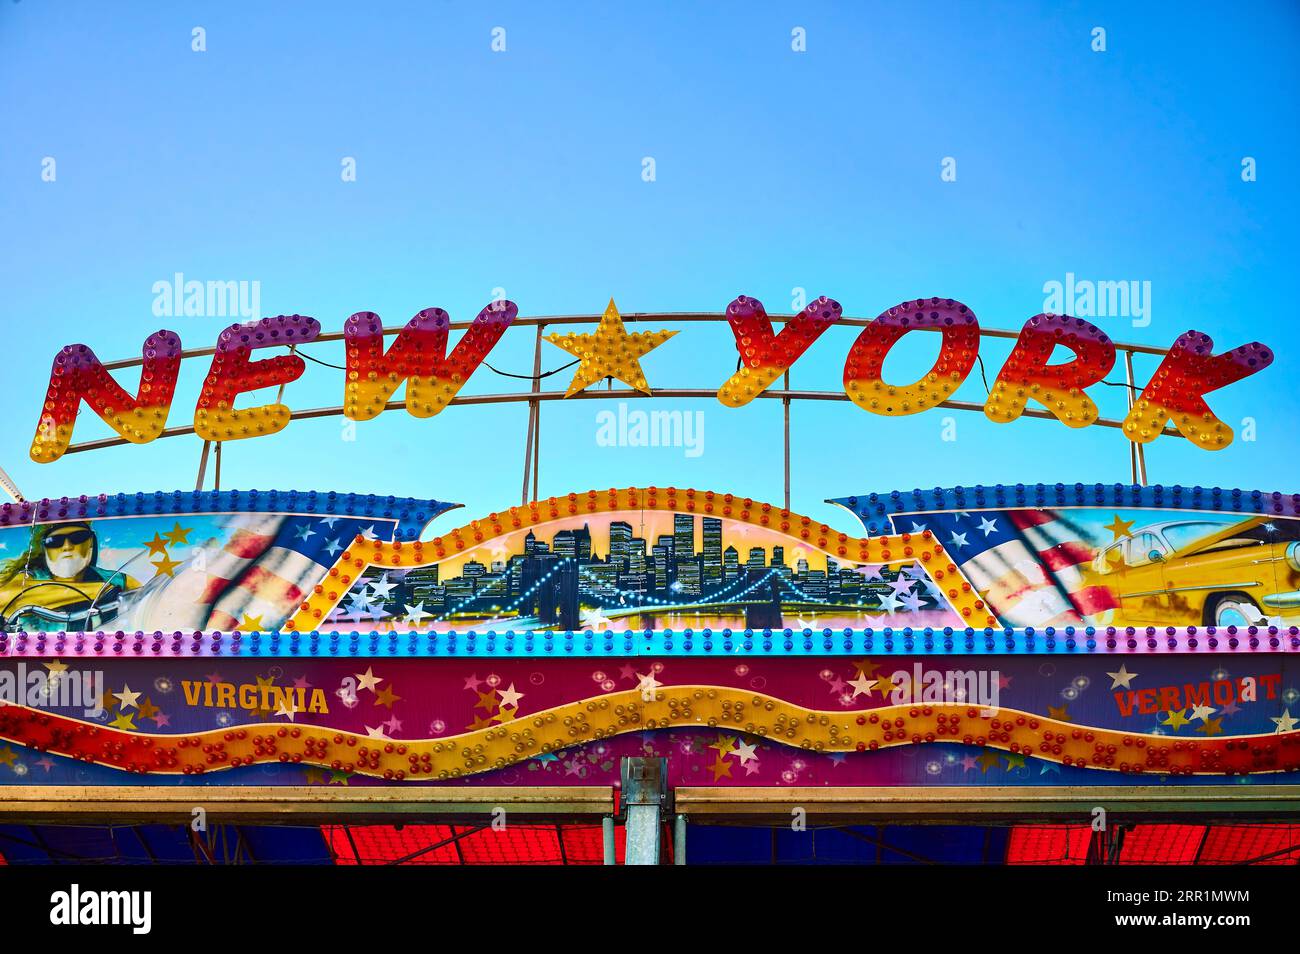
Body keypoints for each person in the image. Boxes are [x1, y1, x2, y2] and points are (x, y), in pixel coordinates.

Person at [0, 522, 139, 630]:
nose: (67, 547)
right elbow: (7, 598)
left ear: (91, 542)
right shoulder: (31, 576)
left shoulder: (118, 579)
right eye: (55, 541)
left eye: (78, 537)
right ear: (45, 549)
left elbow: (148, 599)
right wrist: (99, 590)